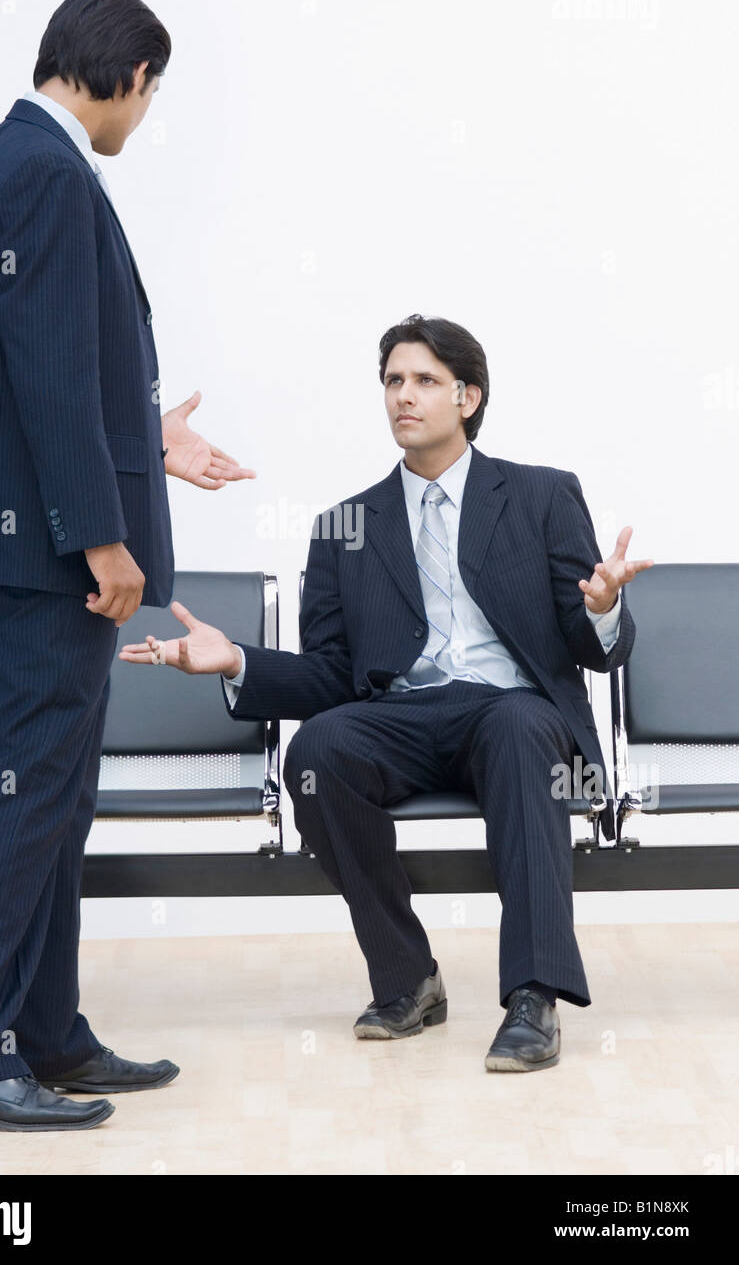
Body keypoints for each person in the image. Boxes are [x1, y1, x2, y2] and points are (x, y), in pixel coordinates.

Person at [120, 314, 653, 1072]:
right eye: (393, 381)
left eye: (426, 381)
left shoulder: (539, 496)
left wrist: (600, 611)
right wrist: (238, 660)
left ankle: (534, 996)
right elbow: (333, 675)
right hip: (398, 717)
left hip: (509, 710)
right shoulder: (345, 526)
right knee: (321, 749)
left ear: (467, 397)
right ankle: (408, 980)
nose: (404, 396)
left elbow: (585, 647)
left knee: (516, 730)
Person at [0, 0, 254, 1131]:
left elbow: (38, 369)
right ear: (124, 74)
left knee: (54, 794)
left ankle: (47, 1031)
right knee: (25, 792)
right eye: (149, 93)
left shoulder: (12, 165)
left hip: (29, 531)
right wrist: (103, 537)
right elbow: (51, 378)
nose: (143, 115)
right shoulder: (47, 173)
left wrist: (150, 441)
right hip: (49, 549)